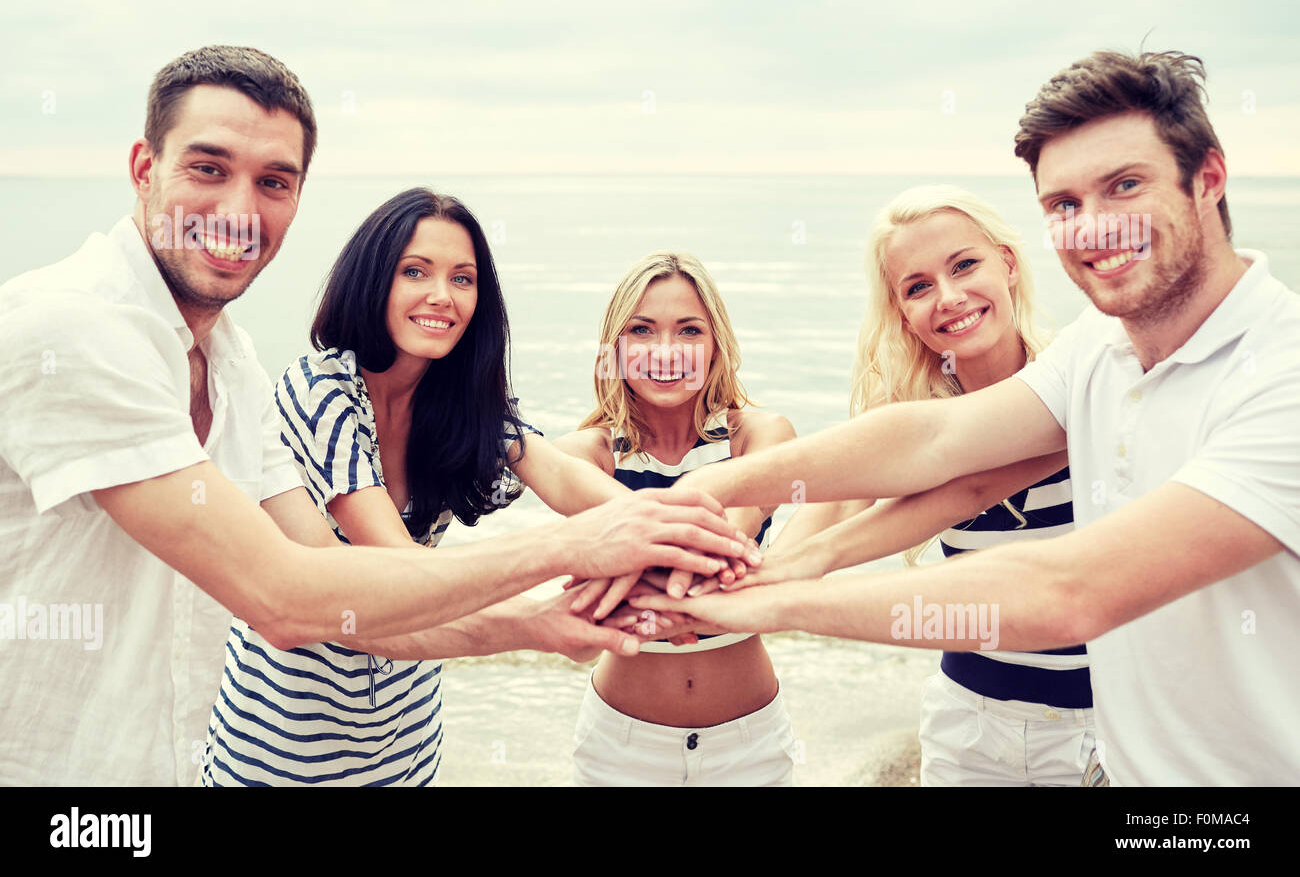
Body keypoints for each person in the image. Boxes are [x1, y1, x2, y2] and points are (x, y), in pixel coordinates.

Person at [0, 45, 756, 786]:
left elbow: (347, 582)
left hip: (276, 757)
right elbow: (288, 600)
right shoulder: (76, 330)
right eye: (208, 168)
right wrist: (575, 553)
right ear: (143, 168)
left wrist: (638, 567)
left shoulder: (234, 368)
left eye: (273, 181)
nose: (239, 210)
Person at [629, 49, 1300, 786]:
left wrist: (776, 601)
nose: (1094, 228)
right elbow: (934, 438)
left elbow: (1068, 594)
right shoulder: (1099, 350)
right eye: (1065, 206)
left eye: (1125, 186)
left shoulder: (1281, 376)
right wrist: (702, 494)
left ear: (1208, 178)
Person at [203, 187, 666, 786]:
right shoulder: (321, 388)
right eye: (415, 271)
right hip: (284, 740)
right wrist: (544, 612)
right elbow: (395, 568)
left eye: (463, 278)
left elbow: (559, 474)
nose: (442, 297)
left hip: (406, 732)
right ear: (373, 279)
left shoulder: (459, 401)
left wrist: (674, 537)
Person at [750, 185, 1091, 786]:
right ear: (901, 311)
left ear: (1008, 265)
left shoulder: (1078, 385)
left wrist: (801, 571)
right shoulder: (909, 410)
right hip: (970, 723)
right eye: (918, 286)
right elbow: (835, 495)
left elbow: (966, 490)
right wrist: (766, 570)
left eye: (964, 265)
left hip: (1101, 723)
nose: (950, 297)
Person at [554, 252, 799, 787]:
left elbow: (723, 546)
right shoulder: (585, 456)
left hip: (750, 740)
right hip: (621, 745)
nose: (666, 353)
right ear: (615, 347)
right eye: (642, 331)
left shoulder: (759, 435)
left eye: (689, 331)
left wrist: (636, 575)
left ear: (716, 345)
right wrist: (709, 592)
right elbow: (714, 569)